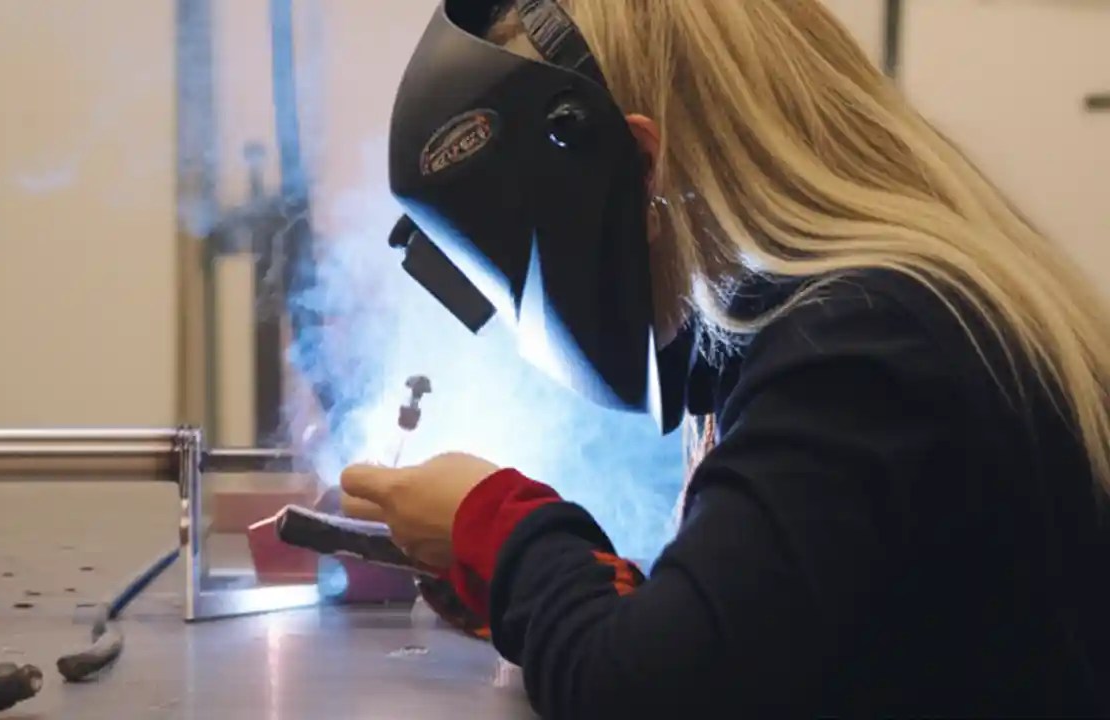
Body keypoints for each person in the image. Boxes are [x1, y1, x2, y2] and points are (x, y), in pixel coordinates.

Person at [342, 0, 1110, 716]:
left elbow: (657, 691)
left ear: (642, 165)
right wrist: (527, 590)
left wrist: (497, 526)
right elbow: (760, 643)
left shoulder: (864, 345)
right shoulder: (880, 313)